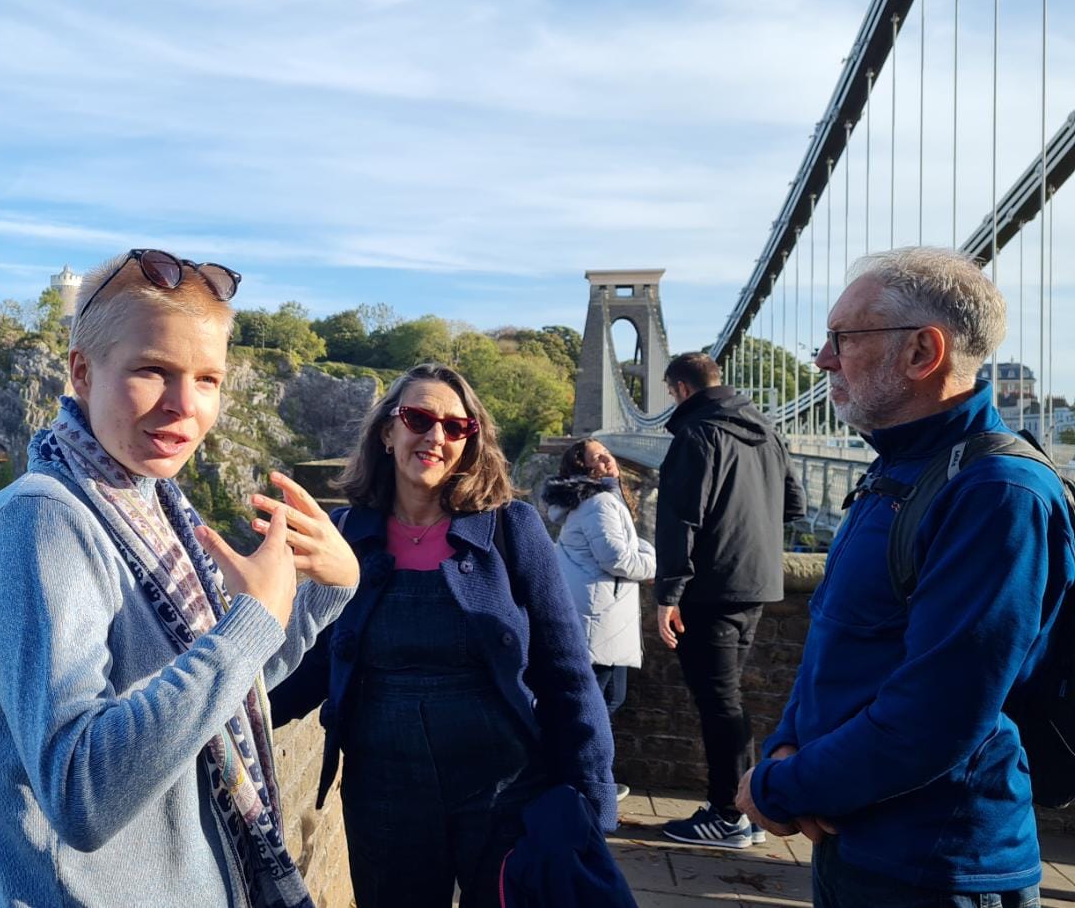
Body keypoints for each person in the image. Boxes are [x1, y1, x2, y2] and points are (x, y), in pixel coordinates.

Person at [0, 248, 360, 908]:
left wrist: (322, 593)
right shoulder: (41, 521)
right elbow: (81, 792)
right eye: (153, 371)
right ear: (82, 372)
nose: (184, 405)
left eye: (208, 379)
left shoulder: (151, 505)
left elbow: (215, 694)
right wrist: (248, 624)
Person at [738, 247, 1075, 905]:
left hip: (938, 866)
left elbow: (940, 713)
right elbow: (838, 641)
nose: (822, 360)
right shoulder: (899, 469)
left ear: (923, 351)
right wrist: (786, 747)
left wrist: (780, 787)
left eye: (842, 338)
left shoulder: (997, 493)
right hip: (853, 836)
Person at [271, 363, 616, 908]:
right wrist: (224, 708)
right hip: (385, 795)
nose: (436, 436)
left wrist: (593, 797)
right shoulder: (345, 536)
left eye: (456, 427)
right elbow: (313, 664)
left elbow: (566, 671)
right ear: (387, 432)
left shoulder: (512, 528)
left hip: (505, 791)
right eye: (419, 418)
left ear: (470, 443)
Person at [655, 350, 806, 848]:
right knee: (728, 698)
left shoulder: (697, 434)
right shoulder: (766, 431)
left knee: (718, 702)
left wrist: (668, 593)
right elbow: (795, 504)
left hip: (711, 586)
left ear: (681, 389)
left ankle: (727, 815)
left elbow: (681, 521)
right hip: (756, 584)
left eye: (671, 392)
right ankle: (748, 808)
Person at [543, 439, 656, 802]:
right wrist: (654, 562)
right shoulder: (601, 503)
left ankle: (582, 778)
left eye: (607, 453)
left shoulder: (596, 501)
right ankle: (577, 780)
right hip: (598, 619)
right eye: (598, 457)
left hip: (599, 617)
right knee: (597, 702)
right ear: (584, 469)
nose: (608, 460)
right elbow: (618, 559)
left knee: (601, 700)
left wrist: (639, 550)